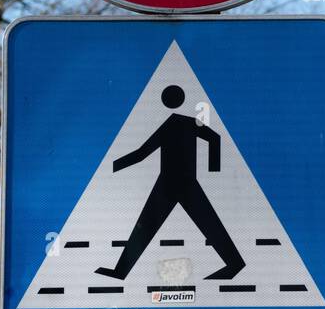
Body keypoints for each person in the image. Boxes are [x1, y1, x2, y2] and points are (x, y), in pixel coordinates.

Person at [95, 84, 245, 281]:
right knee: (150, 225)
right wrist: (212, 167)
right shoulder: (187, 122)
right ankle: (121, 271)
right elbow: (214, 138)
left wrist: (112, 167)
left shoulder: (173, 123)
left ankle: (234, 264)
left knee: (201, 225)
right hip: (175, 182)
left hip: (175, 183)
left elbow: (141, 154)